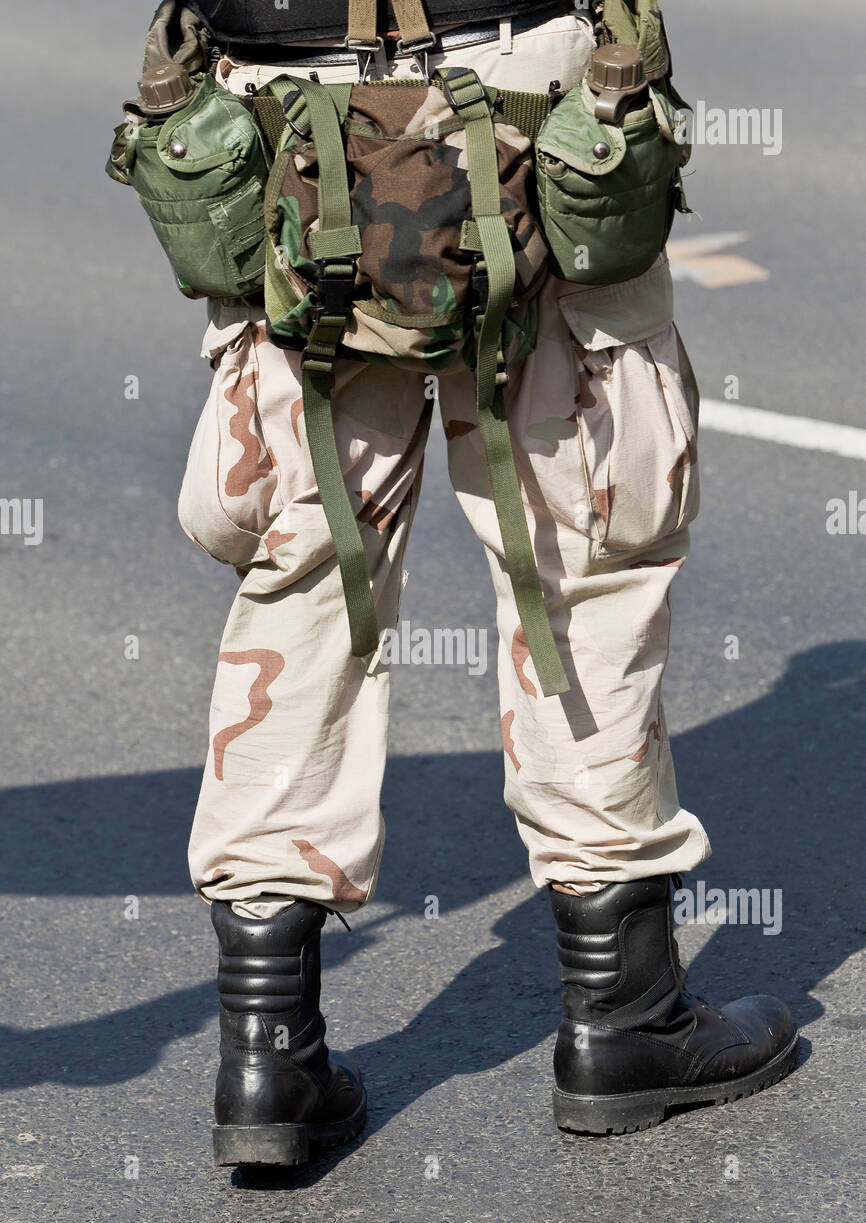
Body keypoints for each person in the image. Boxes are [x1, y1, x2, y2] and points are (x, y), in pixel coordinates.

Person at [153, 1, 798, 1163]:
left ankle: (268, 1056)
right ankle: (621, 1016)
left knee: (301, 570)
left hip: (283, 110)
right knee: (583, 550)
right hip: (527, 84)